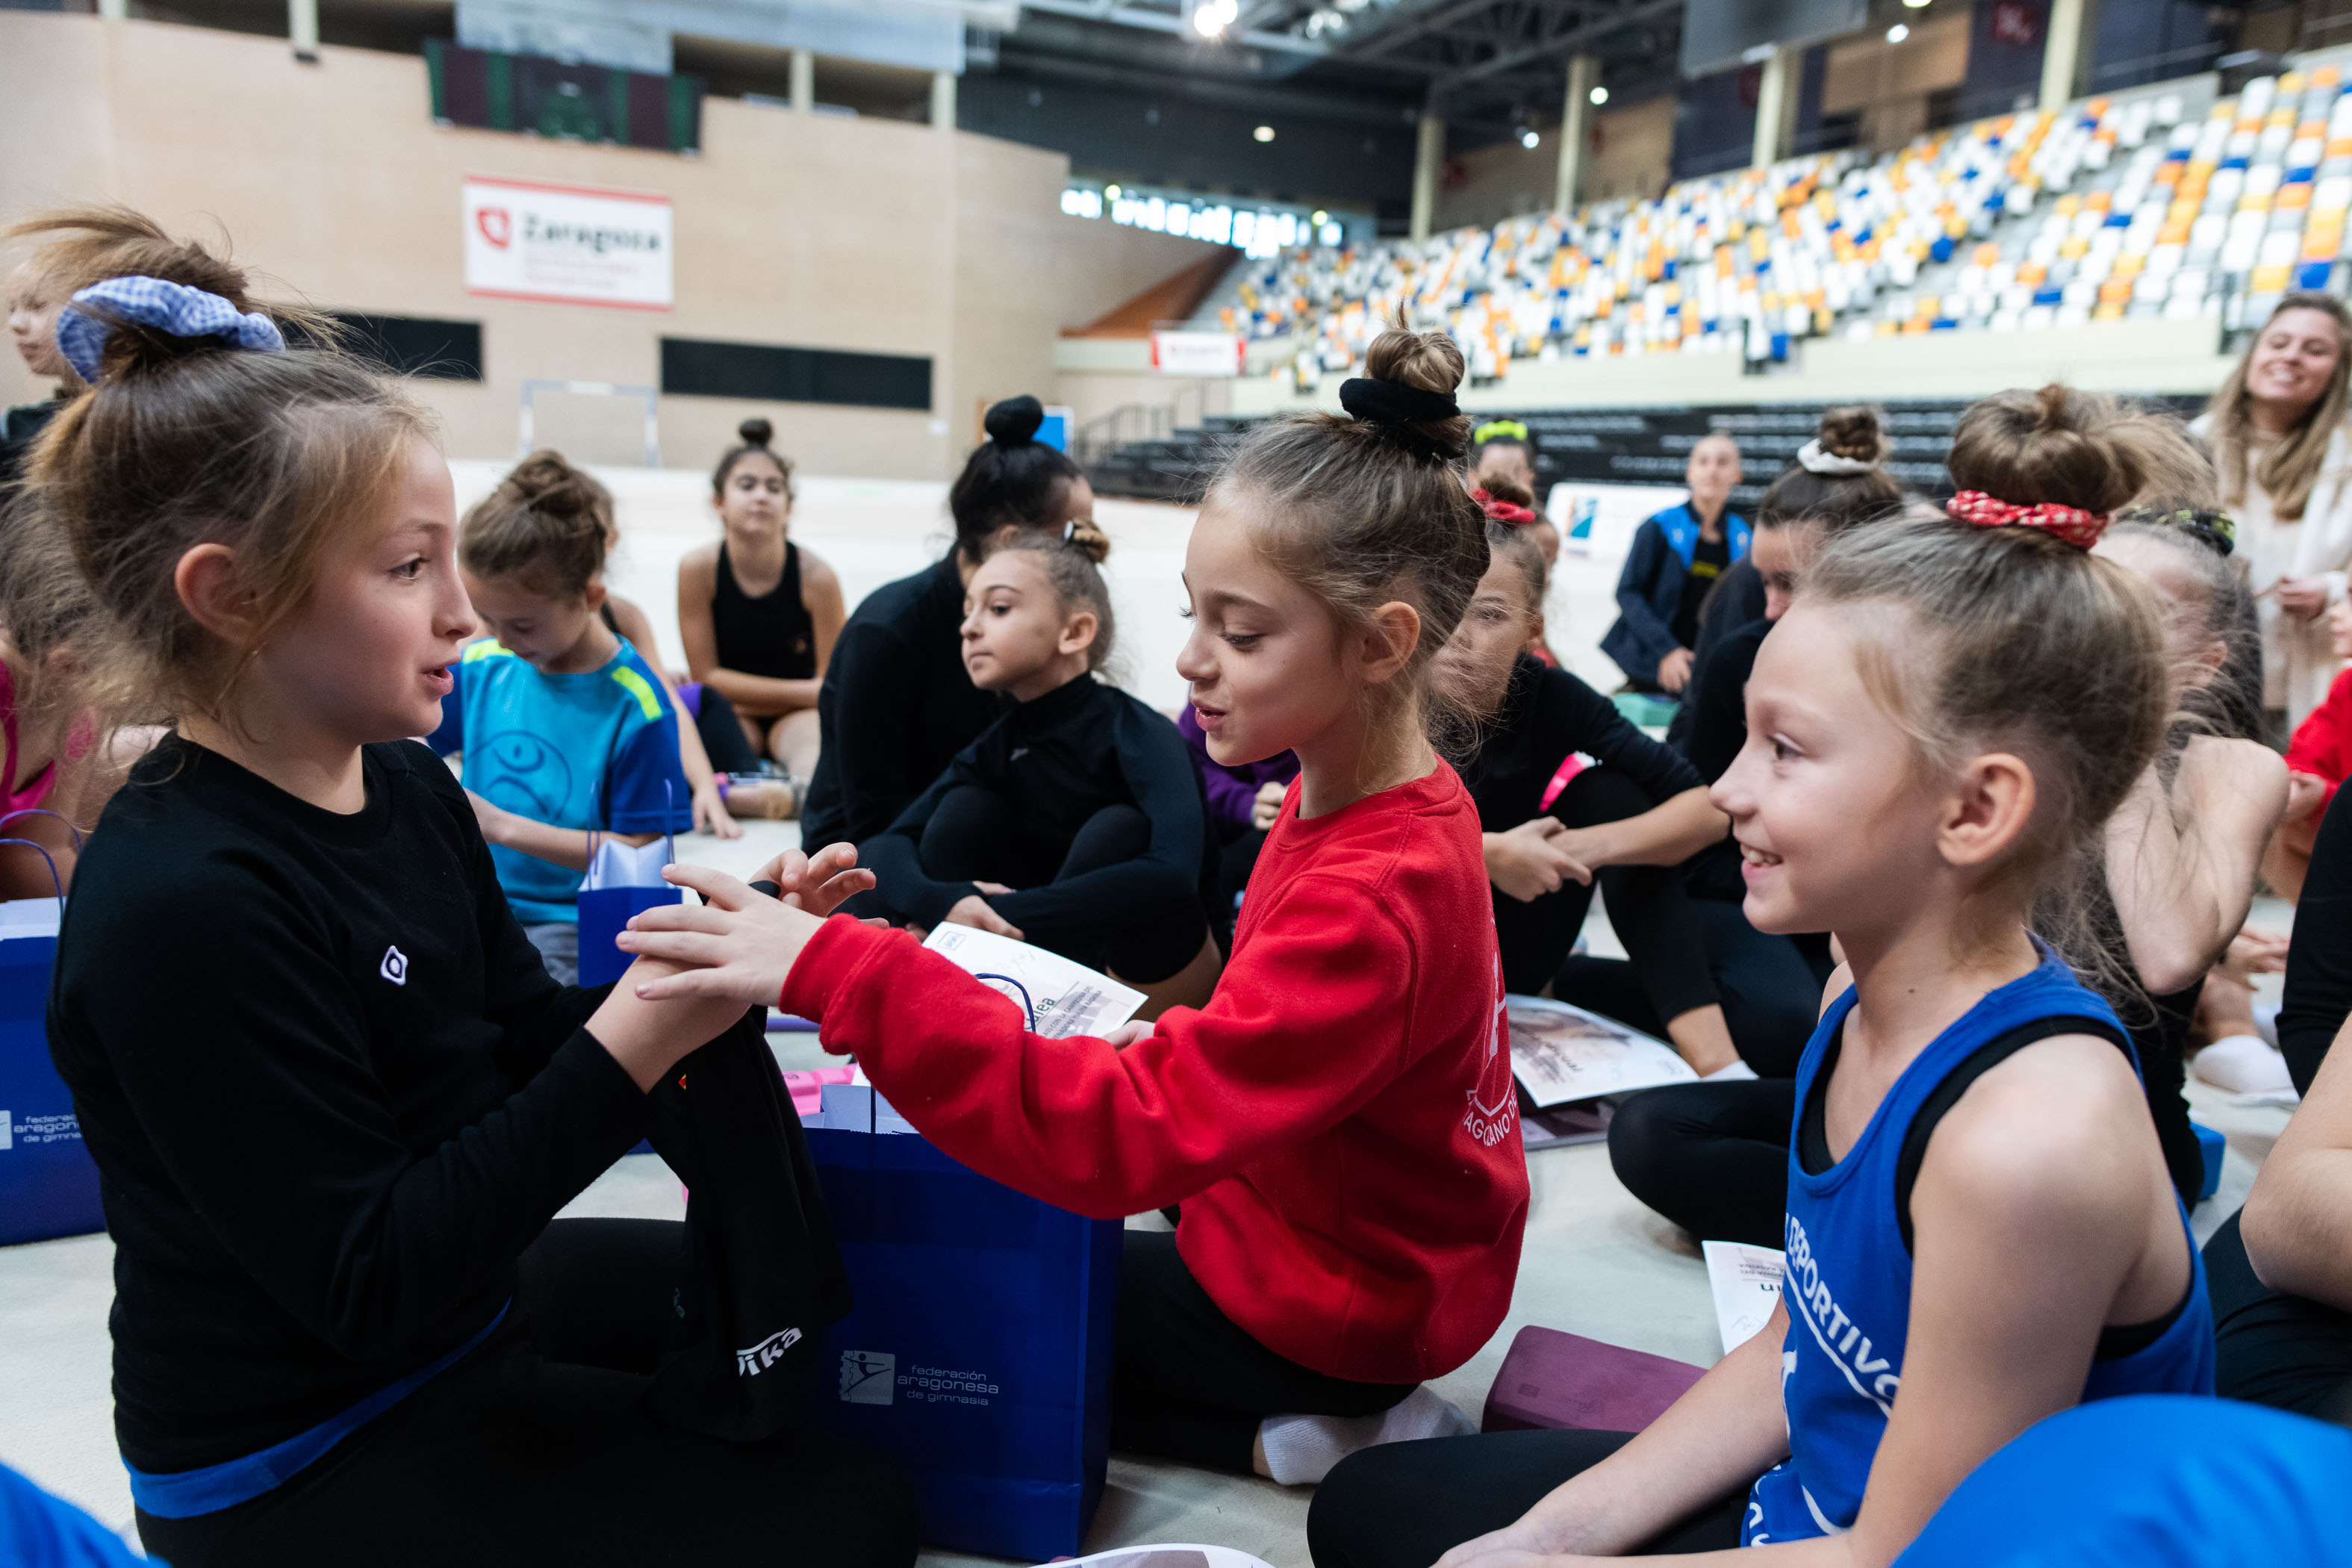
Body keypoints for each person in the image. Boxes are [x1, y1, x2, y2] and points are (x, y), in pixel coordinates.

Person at [33, 270, 914, 1567]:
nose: (463, 617)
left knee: (803, 1344)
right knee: (853, 1519)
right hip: (299, 1449)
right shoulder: (183, 903)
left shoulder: (398, 775)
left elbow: (505, 1032)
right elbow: (374, 1278)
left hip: (452, 1317)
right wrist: (637, 1038)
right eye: (408, 569)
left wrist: (712, 955)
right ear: (229, 598)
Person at [1306, 385, 2212, 1564]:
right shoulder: (1855, 995)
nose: (1728, 791)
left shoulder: (2027, 1149)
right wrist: (1550, 1537)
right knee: (1370, 1513)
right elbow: (1801, 1354)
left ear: (1977, 807)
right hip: (1819, 1505)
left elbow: (1907, 1555)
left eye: (1783, 751)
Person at [617, 323, 1531, 1490]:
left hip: (1347, 1307)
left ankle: (1338, 1423)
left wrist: (835, 973)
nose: (1191, 661)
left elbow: (1126, 1134)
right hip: (1311, 1234)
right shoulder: (1362, 791)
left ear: (1380, 643)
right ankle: (1291, 1430)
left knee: (909, 1297)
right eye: (1195, 613)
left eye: (1239, 633)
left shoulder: (1376, 885)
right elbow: (1249, 1046)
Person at [1606, 410, 1908, 1244]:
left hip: (1833, 909)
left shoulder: (1920, 688)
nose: (1770, 604)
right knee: (1788, 1027)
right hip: (1734, 884)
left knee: (1798, 1025)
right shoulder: (1745, 648)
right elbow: (1704, 798)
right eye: (1762, 582)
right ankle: (1633, 990)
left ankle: (1635, 992)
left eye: (1788, 585)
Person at [1432, 514, 1745, 1077]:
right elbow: (1342, 839)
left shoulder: (1553, 695)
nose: (1460, 631)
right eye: (1446, 604)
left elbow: (1707, 809)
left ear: (1533, 628)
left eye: (1490, 613)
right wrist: (1489, 855)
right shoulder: (1388, 693)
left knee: (1608, 793)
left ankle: (1718, 1065)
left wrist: (1580, 849)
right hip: (1417, 931)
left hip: (1520, 938)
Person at [861, 532, 1222, 1015]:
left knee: (1117, 829)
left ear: (1074, 633)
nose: (968, 627)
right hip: (1040, 957)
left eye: (999, 608)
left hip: (1165, 970)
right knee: (964, 811)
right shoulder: (1000, 742)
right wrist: (943, 902)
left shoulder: (1136, 729)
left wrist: (989, 919)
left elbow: (1173, 876)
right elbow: (883, 847)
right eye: (968, 610)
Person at [429, 451, 696, 984]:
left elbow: (641, 854)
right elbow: (412, 745)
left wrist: (502, 827)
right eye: (489, 619)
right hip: (473, 898)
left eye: (523, 624)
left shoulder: (636, 705)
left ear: (592, 596)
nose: (501, 639)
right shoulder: (487, 666)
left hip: (575, 924)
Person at [798, 394, 1093, 854]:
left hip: (981, 825)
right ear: (1011, 541)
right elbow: (872, 815)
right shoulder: (886, 632)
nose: (1090, 552)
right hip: (862, 856)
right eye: (1073, 534)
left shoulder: (1047, 619)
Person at [2192, 291, 2352, 734]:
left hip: (2305, 686)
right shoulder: (2189, 447)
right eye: (2279, 343)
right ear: (2254, 353)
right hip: (2205, 684)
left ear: (2337, 374)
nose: (2293, 357)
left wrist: (2331, 589)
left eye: (2315, 350)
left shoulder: (2347, 455)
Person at [676, 418, 844, 801]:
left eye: (775, 487)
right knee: (709, 764)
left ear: (789, 507)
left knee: (816, 774)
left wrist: (810, 696)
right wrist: (806, 692)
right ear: (718, 502)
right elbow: (706, 676)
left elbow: (832, 687)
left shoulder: (816, 577)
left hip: (798, 715)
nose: (761, 496)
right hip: (737, 712)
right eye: (746, 485)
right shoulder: (698, 570)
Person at [1602, 432, 1748, 696]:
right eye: (1703, 462)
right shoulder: (1659, 526)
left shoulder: (1743, 537)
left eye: (1723, 462)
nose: (1712, 470)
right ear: (1689, 472)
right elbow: (1628, 592)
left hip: (1706, 669)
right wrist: (1667, 650)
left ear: (1737, 474)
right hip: (1653, 663)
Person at [2267, 594, 2352, 901]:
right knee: (2262, 820)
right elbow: (2305, 756)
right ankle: (2327, 937)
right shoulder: (2347, 685)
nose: (2336, 614)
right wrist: (2297, 786)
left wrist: (2323, 797)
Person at [1177, 702, 1297, 914]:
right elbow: (1191, 769)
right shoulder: (1203, 707)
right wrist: (1248, 805)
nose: (1185, 668)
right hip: (1225, 832)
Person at [1471, 419, 1560, 570]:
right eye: (1495, 472)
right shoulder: (1458, 526)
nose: (1506, 480)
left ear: (1530, 476)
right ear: (1472, 475)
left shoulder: (1544, 535)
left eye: (1516, 472)